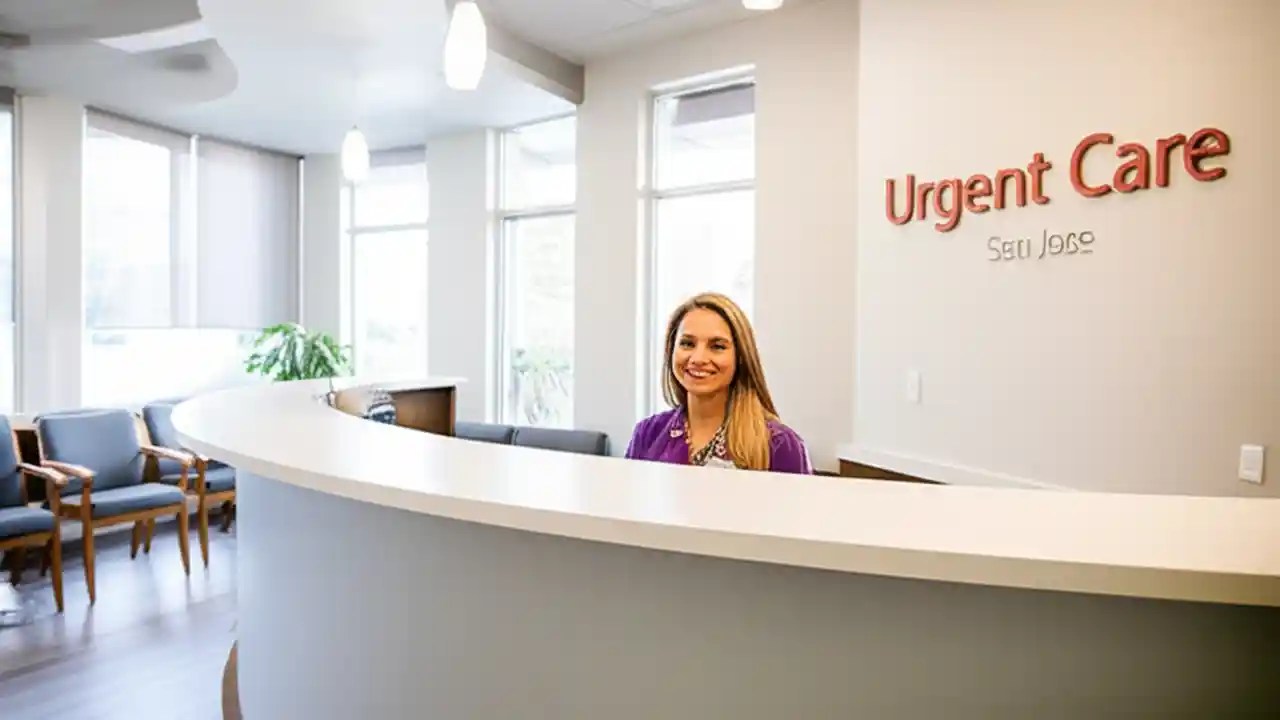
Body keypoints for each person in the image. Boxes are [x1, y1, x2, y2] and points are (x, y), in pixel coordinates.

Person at [625, 292, 812, 474]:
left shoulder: (779, 444)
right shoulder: (648, 434)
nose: (698, 358)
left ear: (740, 357)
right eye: (687, 344)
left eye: (717, 347)